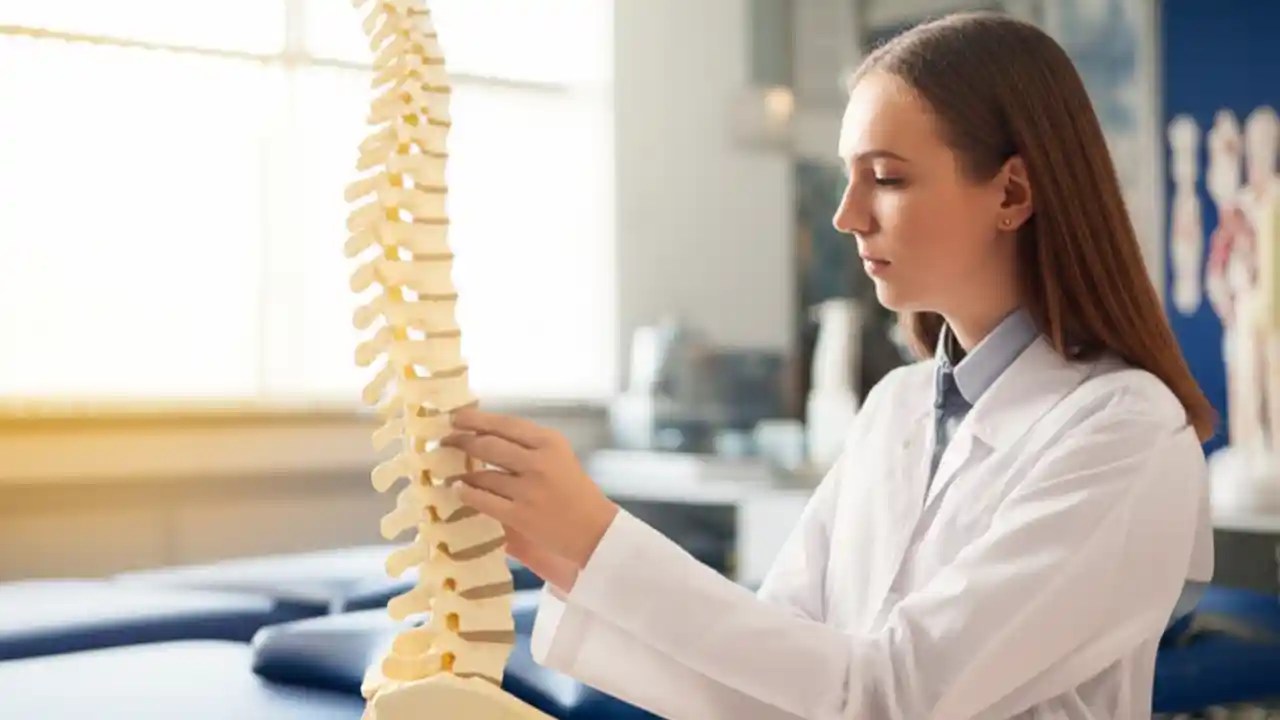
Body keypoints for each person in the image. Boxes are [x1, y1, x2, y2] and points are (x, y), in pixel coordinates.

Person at [440, 12, 1217, 719]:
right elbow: (773, 674)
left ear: (1011, 191)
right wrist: (566, 555)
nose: (847, 215)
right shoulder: (896, 408)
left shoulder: (1129, 433)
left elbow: (898, 695)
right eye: (849, 175)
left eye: (886, 178)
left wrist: (602, 540)